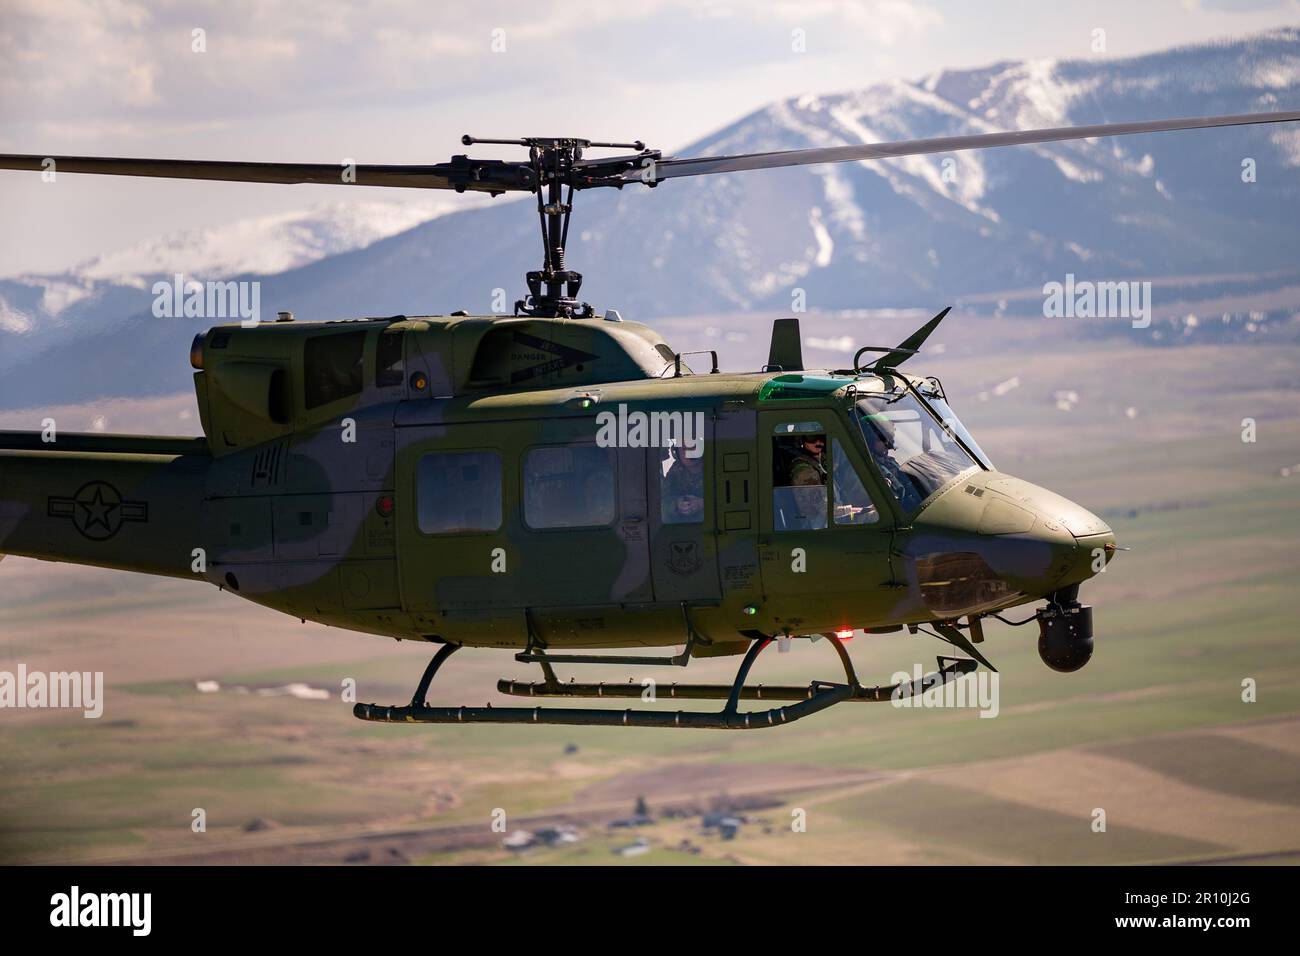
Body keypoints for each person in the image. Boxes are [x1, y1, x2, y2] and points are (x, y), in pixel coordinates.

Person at [859, 413, 924, 512]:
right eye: (883, 439)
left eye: (890, 438)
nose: (888, 445)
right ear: (869, 439)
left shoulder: (889, 462)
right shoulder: (867, 467)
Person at [661, 444, 705, 523]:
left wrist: (702, 503)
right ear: (677, 452)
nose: (689, 452)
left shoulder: (715, 465)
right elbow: (663, 501)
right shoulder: (676, 470)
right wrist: (677, 503)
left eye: (693, 447)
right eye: (684, 449)